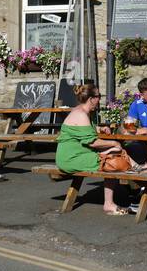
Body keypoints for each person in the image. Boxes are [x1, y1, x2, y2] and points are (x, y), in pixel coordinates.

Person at [56, 83, 135, 215]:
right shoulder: (81, 114)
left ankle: (136, 168)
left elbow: (85, 129)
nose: (99, 99)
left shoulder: (84, 112)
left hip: (79, 153)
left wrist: (100, 129)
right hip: (71, 158)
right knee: (112, 160)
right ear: (91, 98)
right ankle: (110, 203)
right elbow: (92, 142)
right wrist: (113, 143)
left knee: (115, 154)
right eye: (98, 96)